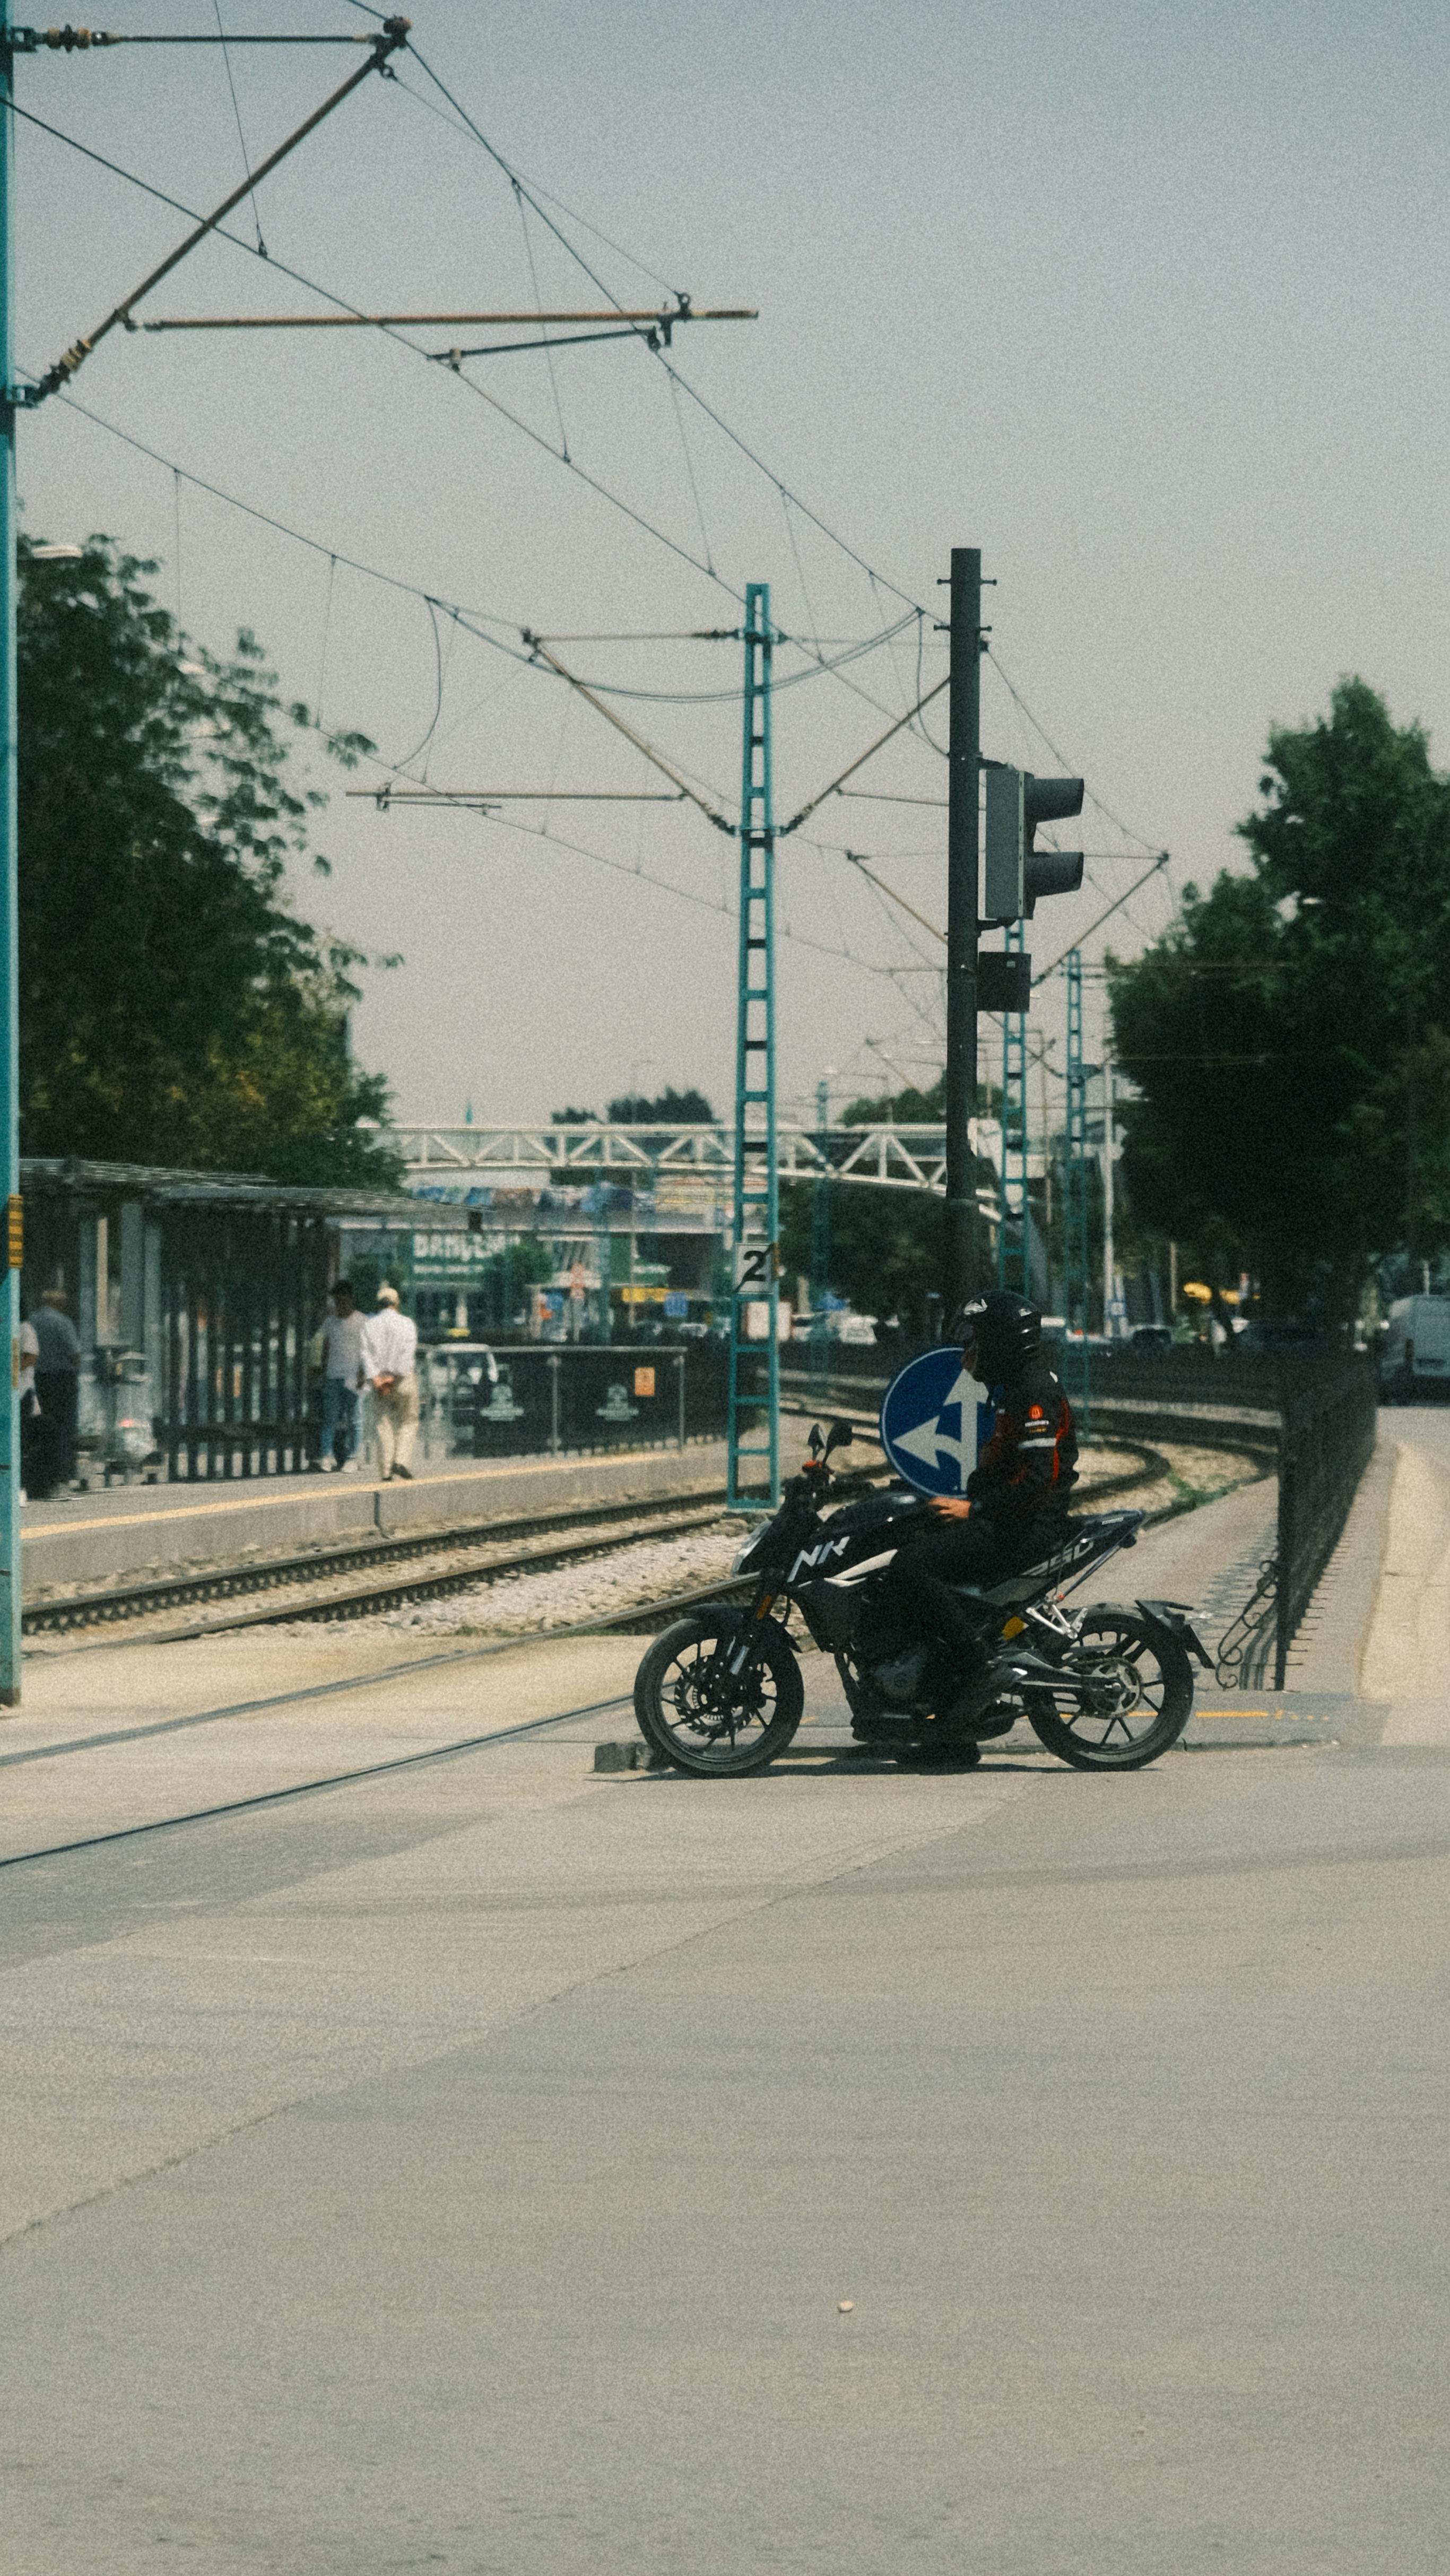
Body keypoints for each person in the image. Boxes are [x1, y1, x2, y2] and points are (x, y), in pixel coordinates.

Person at [873, 1290, 1078, 1723]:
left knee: (911, 1566)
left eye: (974, 1343)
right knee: (905, 1540)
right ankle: (940, 1713)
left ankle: (983, 1667)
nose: (966, 1354)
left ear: (1002, 1343)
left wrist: (975, 1511)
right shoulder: (1014, 1390)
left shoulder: (1033, 1392)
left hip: (1026, 1527)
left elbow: (1037, 1482)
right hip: (1009, 1518)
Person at [360, 1283, 419, 1483]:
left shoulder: (369, 1325)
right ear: (396, 1303)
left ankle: (386, 1471)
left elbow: (365, 1355)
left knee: (382, 1424)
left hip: (379, 1382)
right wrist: (393, 1377)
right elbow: (407, 1354)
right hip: (402, 1380)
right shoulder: (407, 1323)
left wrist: (378, 1379)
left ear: (379, 1304)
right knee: (409, 1419)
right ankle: (401, 1461)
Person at [29, 1286, 80, 1498]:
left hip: (37, 1379)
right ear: (59, 1304)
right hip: (61, 1381)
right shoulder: (63, 1323)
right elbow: (74, 1353)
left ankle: (39, 1478)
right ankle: (60, 1478)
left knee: (41, 1427)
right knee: (63, 1429)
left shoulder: (31, 1320)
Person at [318, 1278, 366, 1473]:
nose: (340, 1305)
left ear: (351, 1299)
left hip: (353, 1377)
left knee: (355, 1419)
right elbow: (325, 1347)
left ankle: (353, 1457)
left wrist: (363, 1372)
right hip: (333, 1376)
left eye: (343, 1301)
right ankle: (326, 1455)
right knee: (330, 1418)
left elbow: (366, 1350)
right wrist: (322, 1369)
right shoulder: (330, 1322)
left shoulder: (362, 1321)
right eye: (337, 1301)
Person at [18, 1316, 39, 1502]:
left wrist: (11, 1370)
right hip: (7, 1393)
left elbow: (31, 1356)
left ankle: (21, 1487)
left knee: (21, 1442)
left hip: (21, 1392)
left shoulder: (24, 1329)